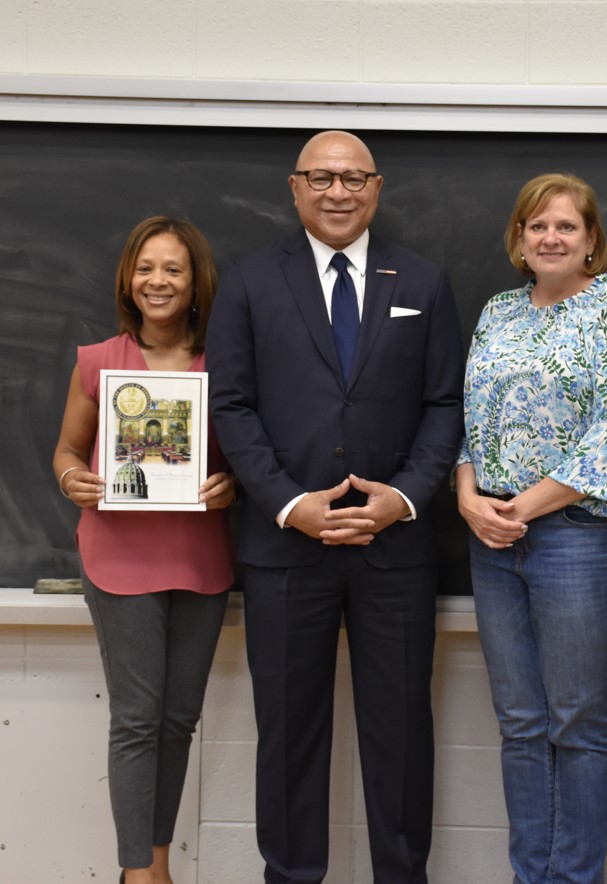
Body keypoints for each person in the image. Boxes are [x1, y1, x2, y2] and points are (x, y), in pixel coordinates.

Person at [206, 130, 464, 884]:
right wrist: (289, 503)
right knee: (288, 736)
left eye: (353, 178)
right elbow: (232, 404)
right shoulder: (251, 282)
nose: (337, 192)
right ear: (294, 188)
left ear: (377, 187)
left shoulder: (423, 281)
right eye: (320, 178)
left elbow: (445, 403)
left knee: (402, 736)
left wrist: (406, 496)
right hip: (285, 551)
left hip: (396, 551)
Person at [454, 173, 607, 884]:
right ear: (517, 239)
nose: (549, 237)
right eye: (535, 226)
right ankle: (527, 874)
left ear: (591, 240)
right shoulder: (498, 312)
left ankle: (572, 878)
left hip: (573, 537)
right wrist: (467, 494)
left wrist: (523, 505)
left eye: (565, 226)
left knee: (575, 724)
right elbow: (472, 423)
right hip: (492, 538)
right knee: (519, 726)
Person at [52, 216, 236, 884]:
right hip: (117, 555)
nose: (157, 281)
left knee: (178, 720)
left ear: (195, 284)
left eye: (173, 270)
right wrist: (72, 478)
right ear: (129, 279)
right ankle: (139, 873)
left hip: (199, 555)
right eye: (146, 268)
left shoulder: (225, 364)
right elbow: (68, 451)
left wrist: (231, 485)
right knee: (136, 720)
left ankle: (155, 861)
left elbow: (243, 458)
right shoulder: (98, 362)